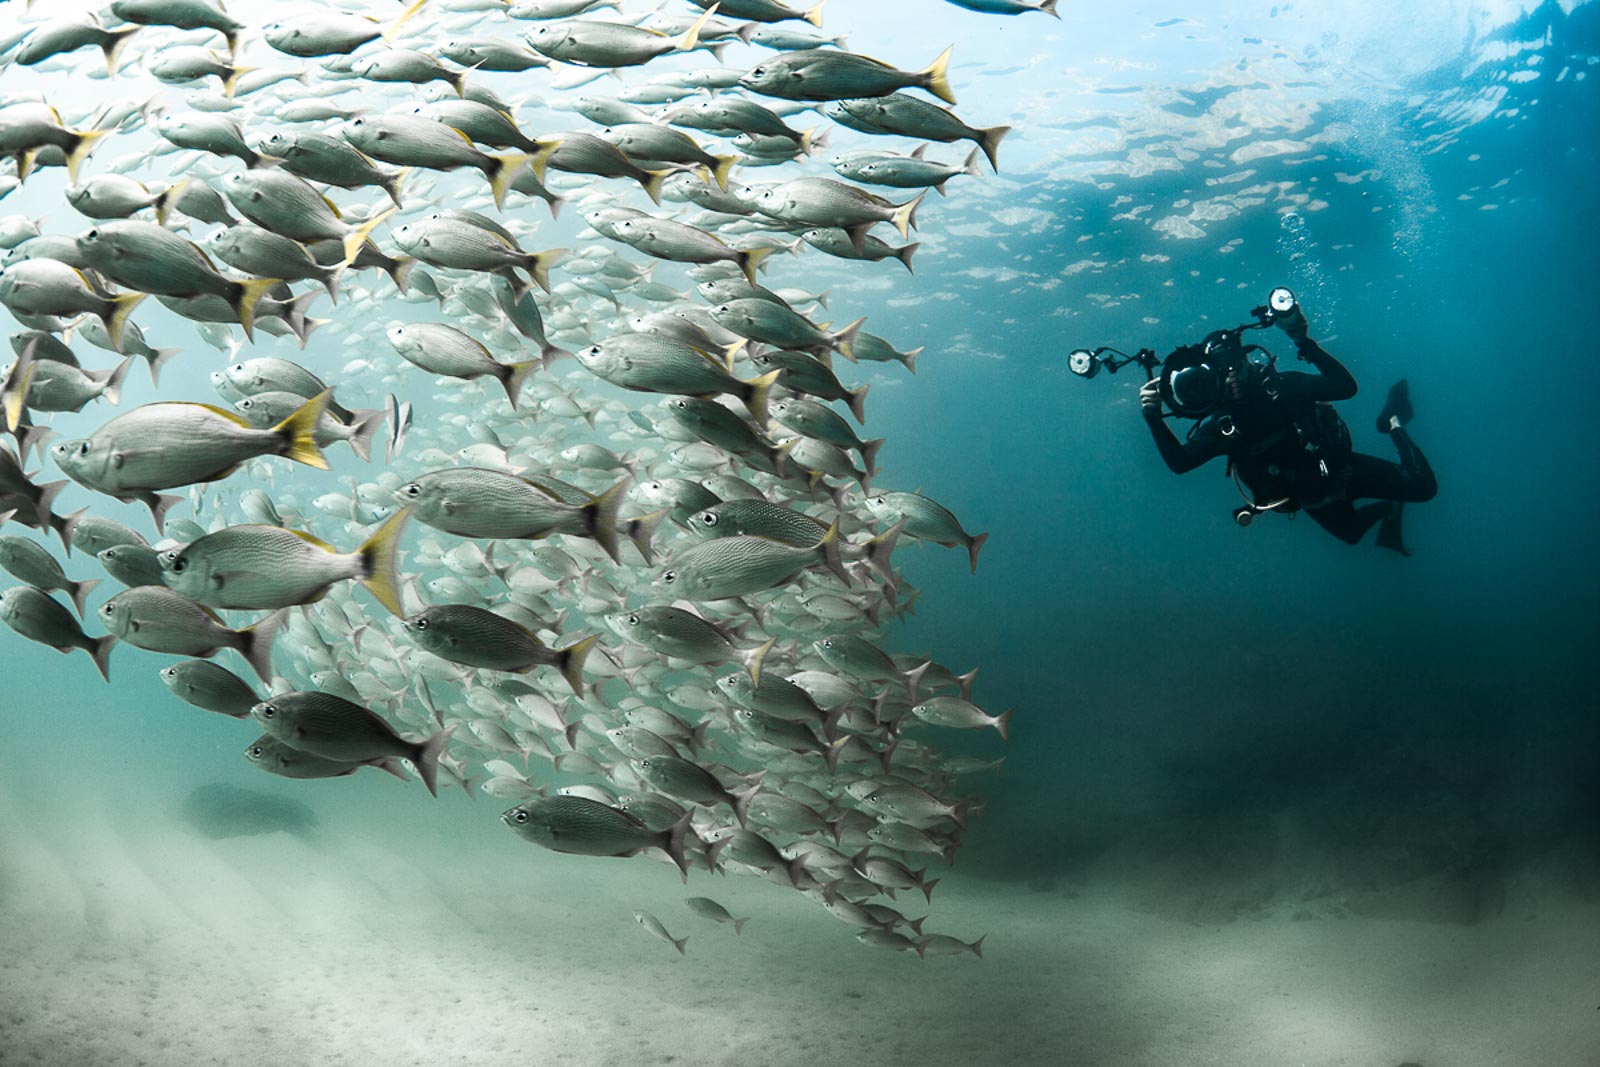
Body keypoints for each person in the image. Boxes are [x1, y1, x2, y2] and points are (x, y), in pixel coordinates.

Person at [1138, 306, 1436, 554]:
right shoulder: (1224, 426)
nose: (1232, 377)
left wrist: (1305, 343)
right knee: (1353, 533)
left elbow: (1346, 387)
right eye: (1221, 370)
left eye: (1235, 364)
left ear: (1246, 359)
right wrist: (1153, 417)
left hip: (1340, 469)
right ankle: (1389, 508)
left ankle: (1393, 421)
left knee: (1424, 487)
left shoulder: (1281, 388)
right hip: (1306, 495)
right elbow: (1180, 463)